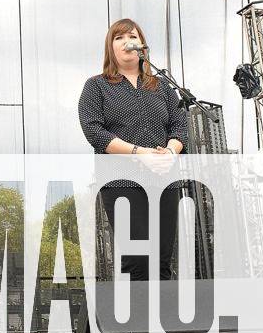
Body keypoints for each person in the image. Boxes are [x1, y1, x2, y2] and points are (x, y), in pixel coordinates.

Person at [78, 18, 187, 281]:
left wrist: (170, 153)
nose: (127, 41)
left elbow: (180, 128)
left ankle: (159, 320)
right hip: (121, 181)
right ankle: (134, 321)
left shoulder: (162, 87)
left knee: (161, 261)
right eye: (119, 37)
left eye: (133, 36)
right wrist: (140, 153)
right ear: (110, 48)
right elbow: (94, 131)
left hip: (164, 180)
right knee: (137, 259)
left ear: (142, 45)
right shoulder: (97, 86)